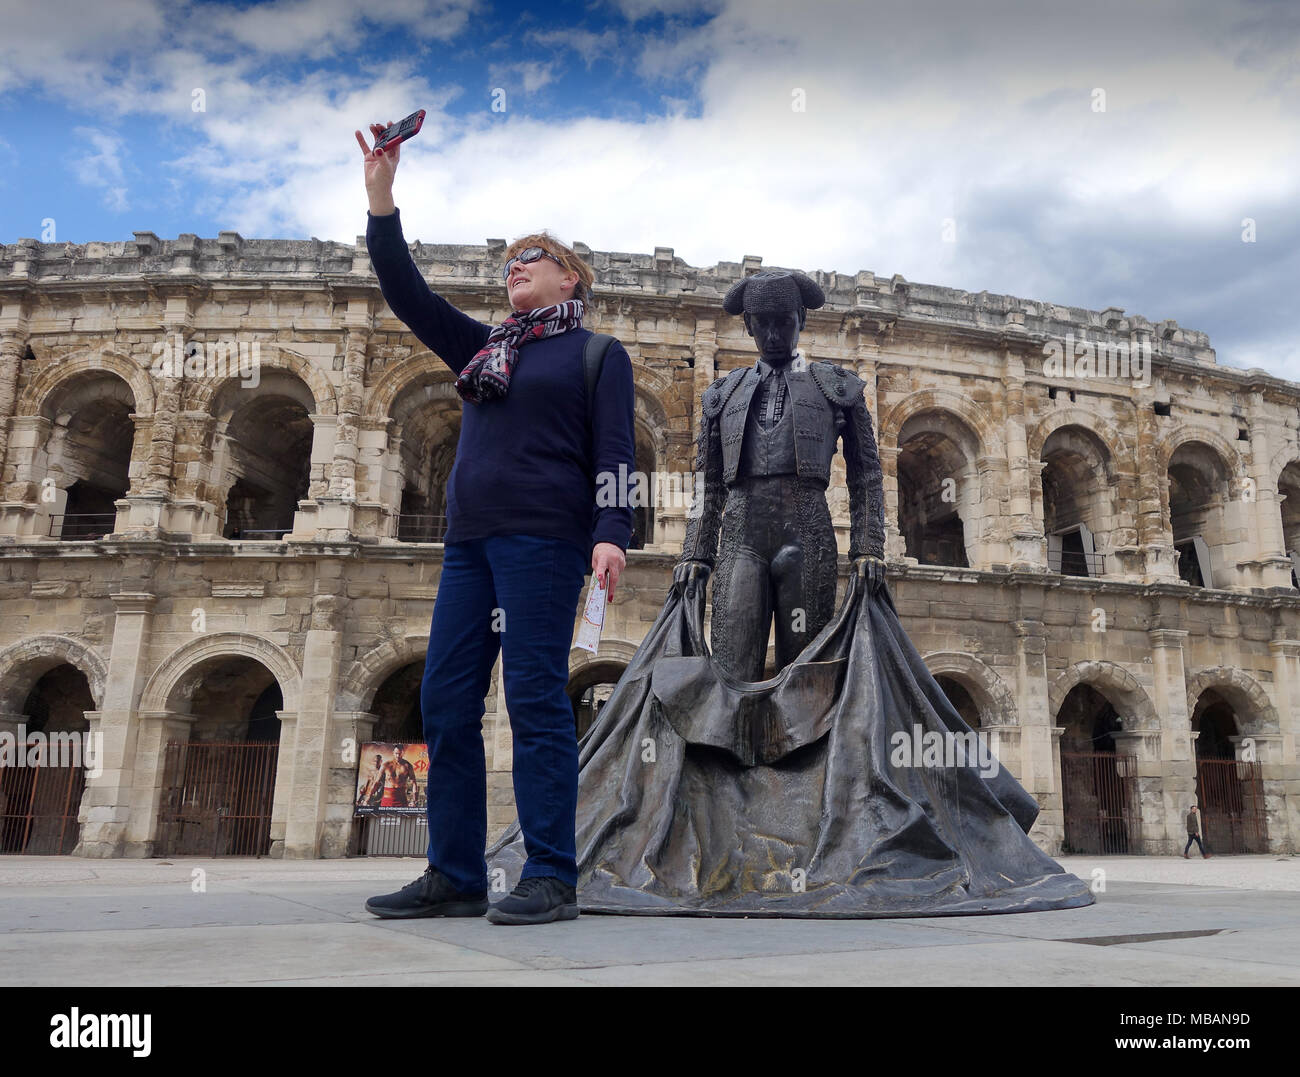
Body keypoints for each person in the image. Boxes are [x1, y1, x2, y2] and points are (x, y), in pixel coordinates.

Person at [355, 121, 636, 925]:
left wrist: (611, 529)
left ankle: (551, 873)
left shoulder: (594, 355)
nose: (514, 268)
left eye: (531, 258)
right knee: (445, 697)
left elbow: (615, 449)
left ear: (570, 277)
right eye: (506, 262)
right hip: (469, 545)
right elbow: (405, 291)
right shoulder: (485, 351)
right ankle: (455, 873)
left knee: (536, 698)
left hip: (545, 541)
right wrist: (382, 195)